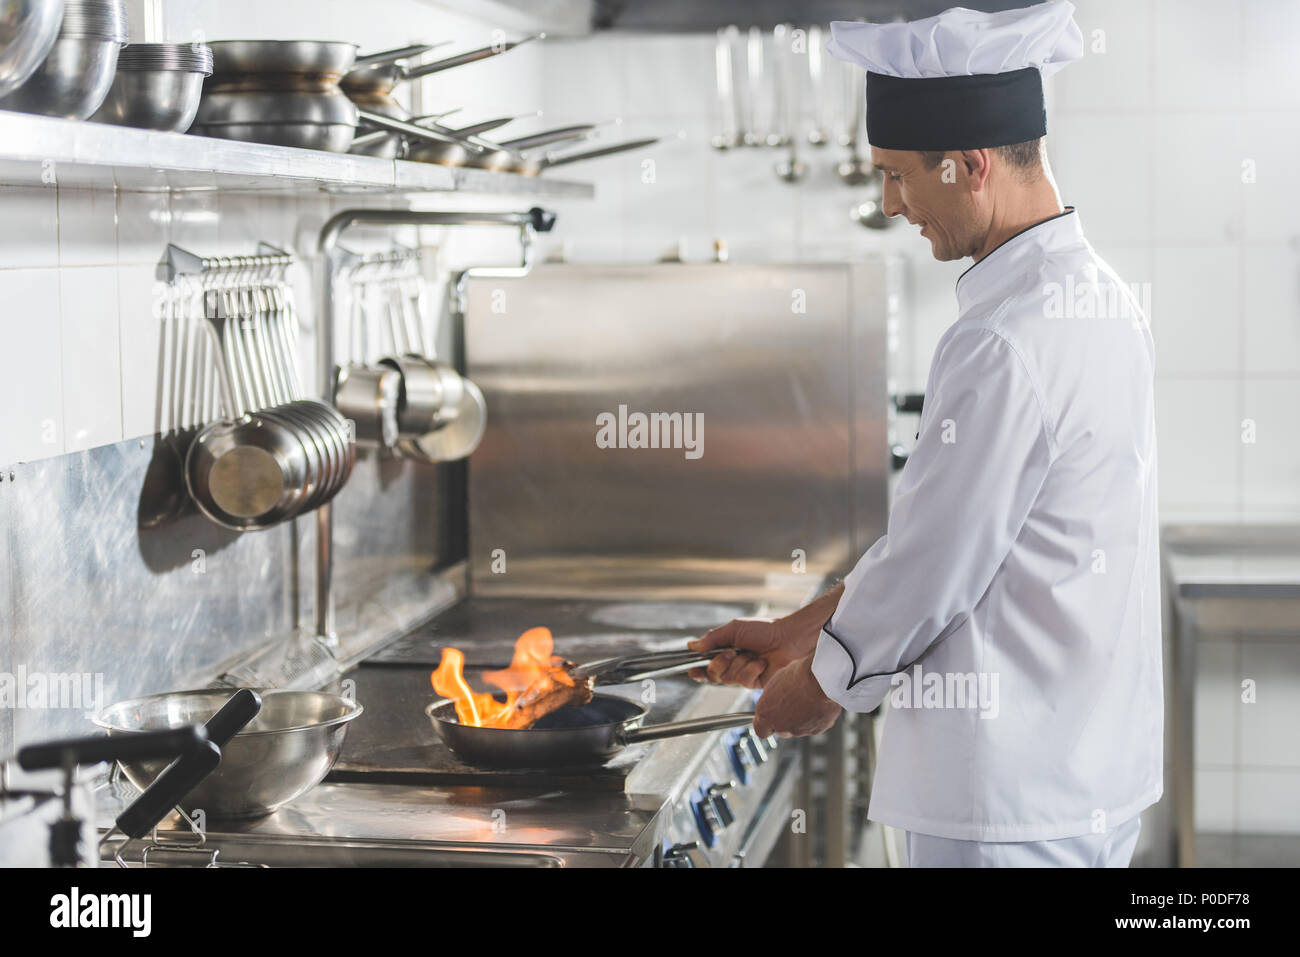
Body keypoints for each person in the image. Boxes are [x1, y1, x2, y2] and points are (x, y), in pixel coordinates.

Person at [690, 1, 1161, 868]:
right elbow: (966, 547)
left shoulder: (1003, 339)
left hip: (1002, 799)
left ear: (971, 164)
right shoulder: (1101, 298)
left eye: (899, 176)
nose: (893, 204)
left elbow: (932, 570)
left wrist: (821, 685)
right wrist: (802, 629)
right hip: (1076, 776)